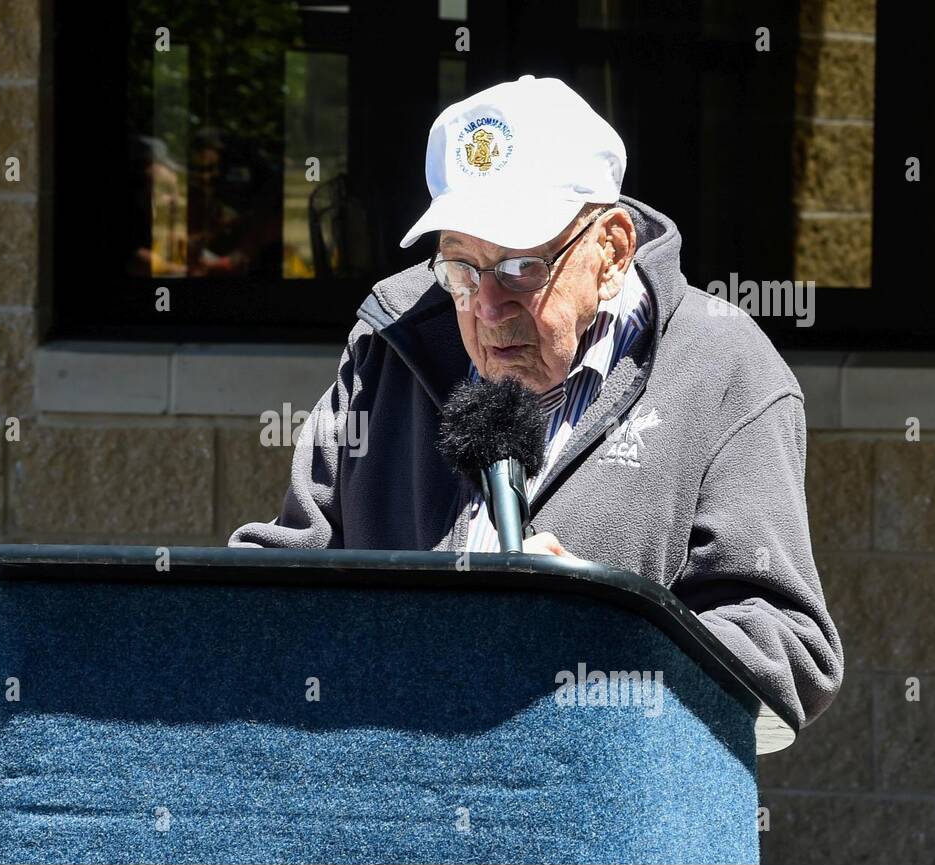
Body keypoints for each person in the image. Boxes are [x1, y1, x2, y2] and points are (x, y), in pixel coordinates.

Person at [229, 75, 842, 729]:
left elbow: (789, 656)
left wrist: (607, 619)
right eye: (462, 266)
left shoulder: (723, 366)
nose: (489, 307)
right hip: (400, 811)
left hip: (605, 819)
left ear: (610, 249)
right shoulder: (391, 339)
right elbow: (289, 570)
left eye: (522, 266)